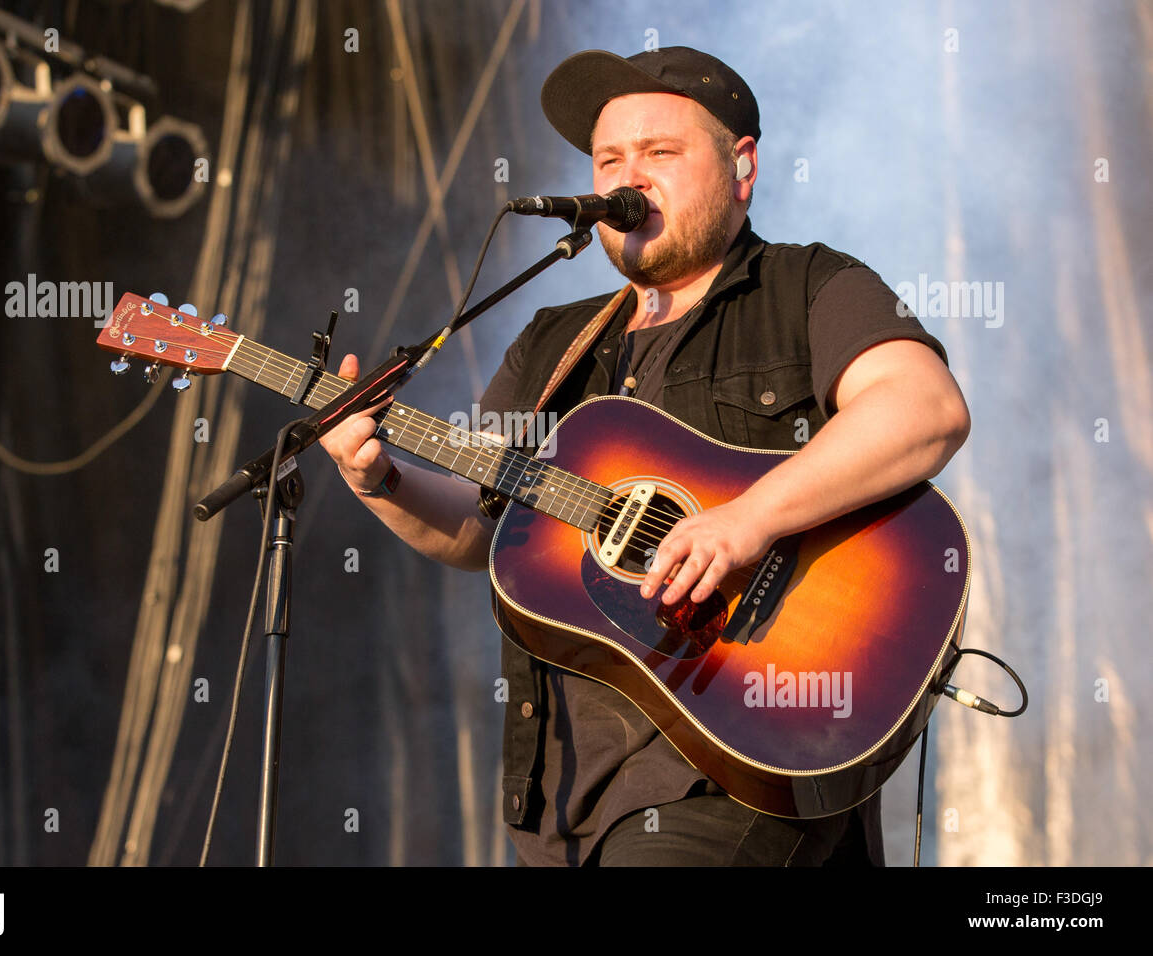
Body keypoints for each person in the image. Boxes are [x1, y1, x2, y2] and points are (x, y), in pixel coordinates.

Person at [320, 46, 970, 866]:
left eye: (660, 153)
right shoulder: (554, 342)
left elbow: (925, 410)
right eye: (610, 160)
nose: (627, 178)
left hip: (732, 764)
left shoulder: (812, 287)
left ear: (742, 169)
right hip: (564, 797)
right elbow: (476, 528)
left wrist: (747, 521)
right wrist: (377, 475)